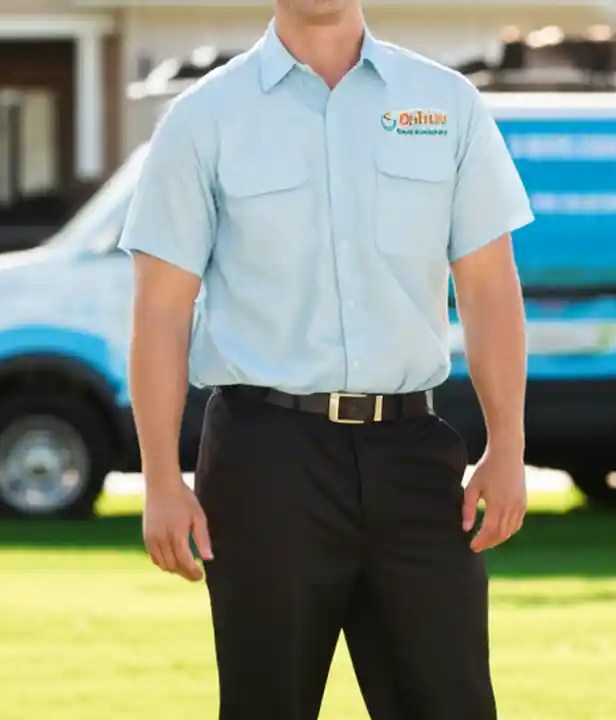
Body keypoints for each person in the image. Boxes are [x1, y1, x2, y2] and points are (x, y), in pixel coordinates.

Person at [120, 1, 533, 717]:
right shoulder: (203, 118)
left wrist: (508, 446)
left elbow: (490, 288)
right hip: (265, 461)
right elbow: (160, 313)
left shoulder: (446, 104)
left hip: (413, 456)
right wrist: (160, 478)